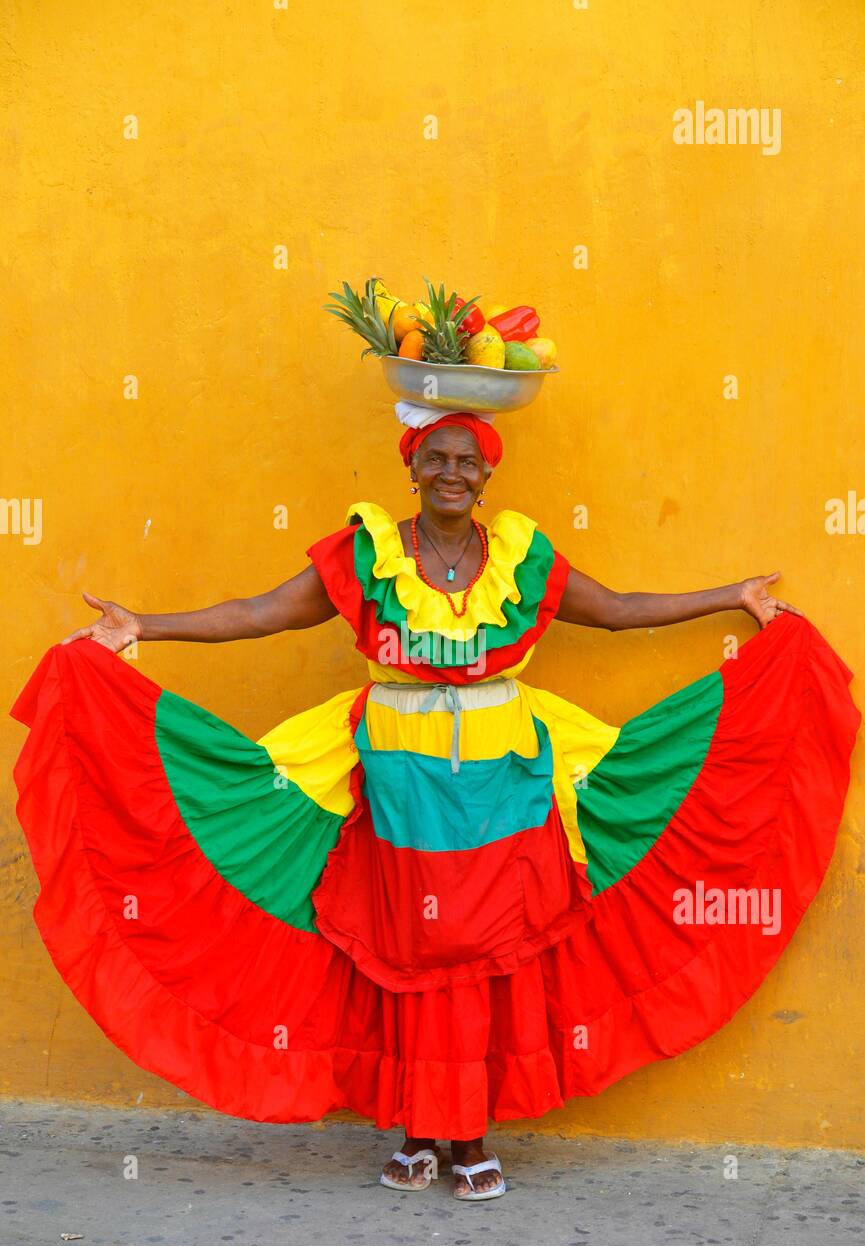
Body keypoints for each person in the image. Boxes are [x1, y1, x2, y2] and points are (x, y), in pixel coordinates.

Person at [10, 409, 859, 1202]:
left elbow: (618, 611)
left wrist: (729, 597)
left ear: (485, 478)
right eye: (436, 459)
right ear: (410, 467)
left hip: (506, 777)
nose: (451, 472)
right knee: (408, 945)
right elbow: (263, 613)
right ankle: (423, 1128)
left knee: (487, 944)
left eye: (467, 462)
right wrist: (143, 627)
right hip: (395, 778)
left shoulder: (523, 558)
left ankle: (468, 1132)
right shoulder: (365, 556)